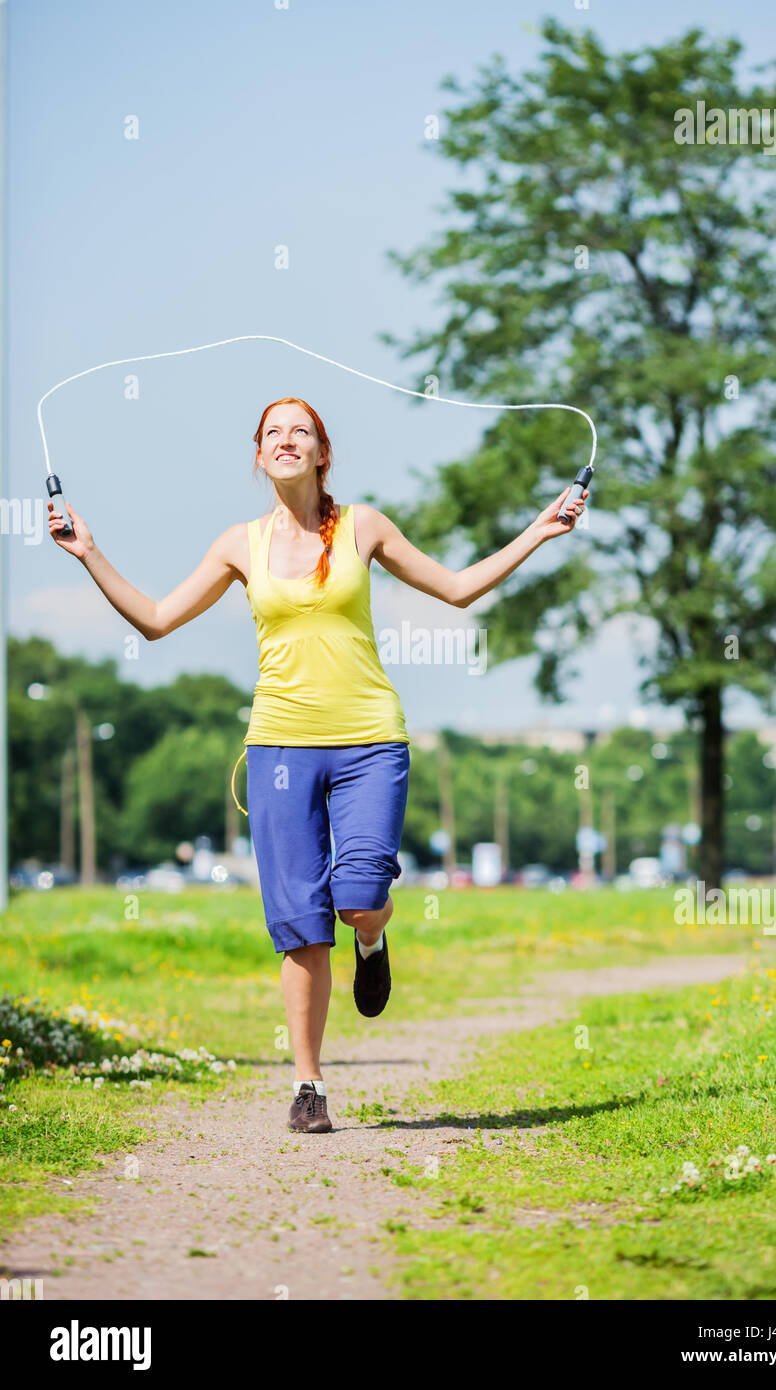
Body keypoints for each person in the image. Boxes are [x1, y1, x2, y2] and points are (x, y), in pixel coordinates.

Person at [47, 395, 586, 1133]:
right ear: (260, 457)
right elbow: (157, 620)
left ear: (323, 452)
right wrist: (89, 552)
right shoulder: (240, 544)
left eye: (301, 430)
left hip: (369, 741)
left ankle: (373, 936)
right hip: (278, 749)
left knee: (359, 896)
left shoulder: (363, 526)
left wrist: (541, 529)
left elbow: (457, 589)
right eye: (273, 432)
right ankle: (309, 1086)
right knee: (302, 925)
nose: (287, 440)